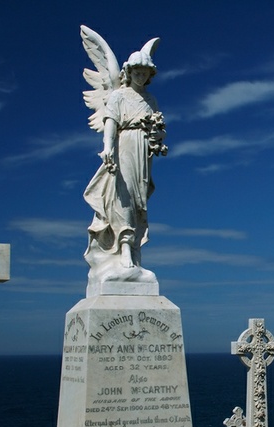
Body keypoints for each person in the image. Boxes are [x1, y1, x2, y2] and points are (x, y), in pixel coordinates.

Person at [83, 48, 167, 281]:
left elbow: (157, 129)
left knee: (140, 201)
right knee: (124, 196)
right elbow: (110, 123)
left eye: (144, 72)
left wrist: (157, 138)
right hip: (125, 147)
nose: (140, 76)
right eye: (137, 72)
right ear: (129, 73)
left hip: (143, 153)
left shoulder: (151, 99)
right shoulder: (118, 96)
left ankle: (135, 253)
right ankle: (125, 250)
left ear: (149, 75)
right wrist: (108, 148)